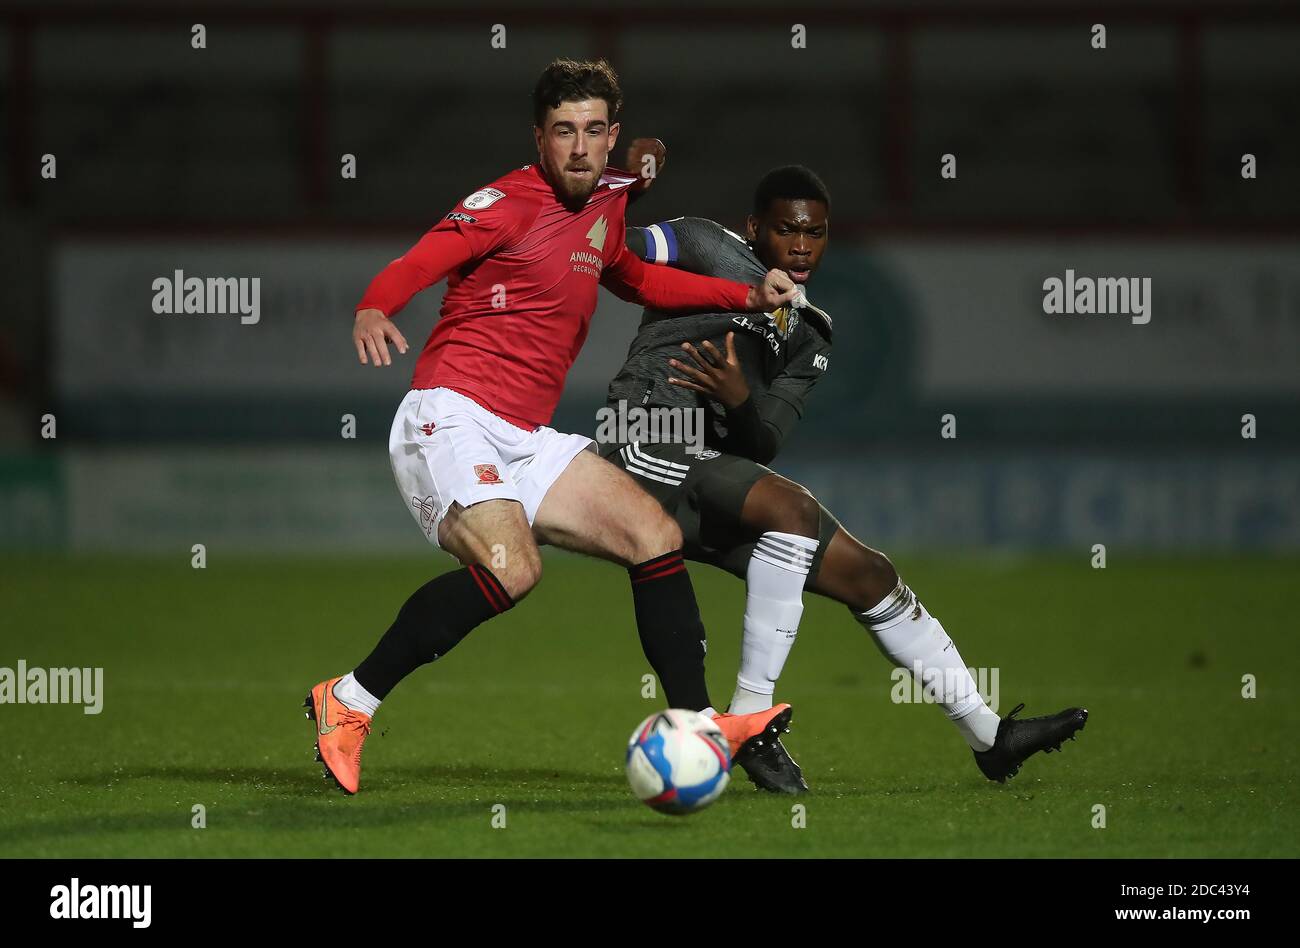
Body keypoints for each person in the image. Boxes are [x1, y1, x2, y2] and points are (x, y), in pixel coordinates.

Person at [304, 59, 799, 795]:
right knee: (513, 569)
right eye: (563, 131)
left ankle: (698, 723)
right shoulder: (505, 203)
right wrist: (374, 306)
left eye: (593, 131)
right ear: (539, 137)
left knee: (653, 536)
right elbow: (419, 261)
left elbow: (633, 275)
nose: (578, 147)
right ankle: (348, 701)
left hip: (527, 435)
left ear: (611, 137)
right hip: (451, 414)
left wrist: (748, 292)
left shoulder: (608, 202)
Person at [602, 165, 1088, 792]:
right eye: (785, 230)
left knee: (871, 575)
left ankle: (989, 735)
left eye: (816, 233)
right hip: (641, 442)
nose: (801, 245)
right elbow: (611, 251)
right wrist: (621, 183)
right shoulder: (702, 245)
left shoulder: (807, 332)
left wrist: (738, 397)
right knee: (793, 512)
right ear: (755, 228)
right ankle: (750, 721)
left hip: (707, 476)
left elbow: (763, 443)